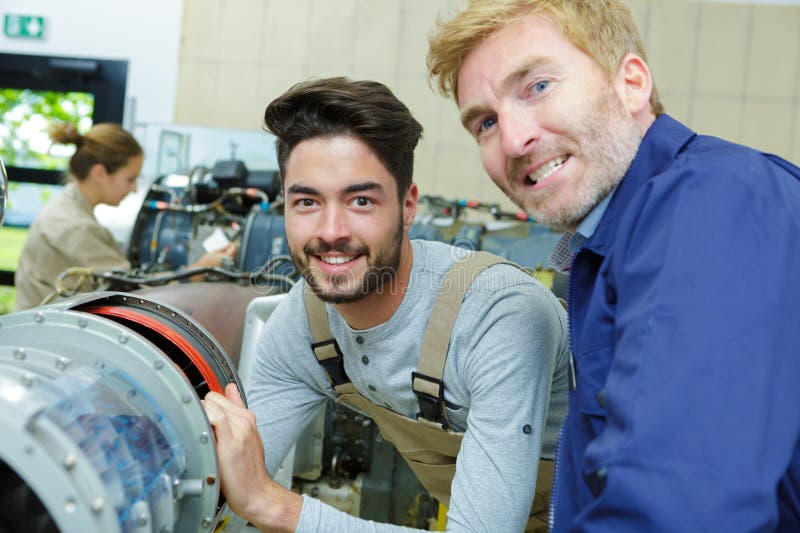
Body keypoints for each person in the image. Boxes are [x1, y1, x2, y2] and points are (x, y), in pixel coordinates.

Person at [427, 1, 800, 531]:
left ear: (631, 82)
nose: (513, 140)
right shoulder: (613, 243)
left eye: (537, 87)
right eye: (485, 122)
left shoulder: (711, 203)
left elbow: (680, 508)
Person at [202, 77, 570, 532]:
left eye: (360, 200)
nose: (331, 230)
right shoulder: (308, 322)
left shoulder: (498, 315)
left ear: (407, 205)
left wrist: (274, 505)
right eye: (307, 201)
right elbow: (219, 482)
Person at [14, 122, 236, 311]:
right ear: (100, 173)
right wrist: (198, 270)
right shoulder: (73, 225)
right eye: (130, 179)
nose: (133, 189)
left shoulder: (69, 209)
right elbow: (134, 291)